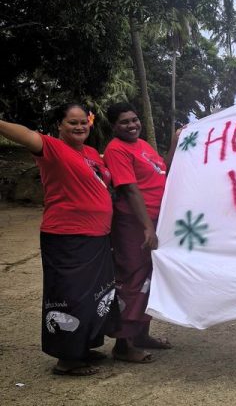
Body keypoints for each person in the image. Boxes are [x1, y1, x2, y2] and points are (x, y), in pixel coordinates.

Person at [0, 104, 117, 376]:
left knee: (93, 296)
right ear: (60, 126)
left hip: (97, 237)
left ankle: (83, 346)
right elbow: (26, 134)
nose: (79, 127)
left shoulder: (90, 153)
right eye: (72, 123)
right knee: (70, 296)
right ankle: (67, 359)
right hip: (66, 236)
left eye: (83, 122)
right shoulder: (51, 147)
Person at [104, 102, 178, 363]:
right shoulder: (116, 150)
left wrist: (174, 144)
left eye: (134, 120)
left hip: (156, 219)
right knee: (132, 279)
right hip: (133, 223)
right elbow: (130, 189)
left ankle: (142, 335)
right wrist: (148, 227)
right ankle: (123, 344)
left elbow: (163, 172)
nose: (132, 125)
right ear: (113, 126)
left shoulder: (143, 146)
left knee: (150, 278)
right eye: (124, 122)